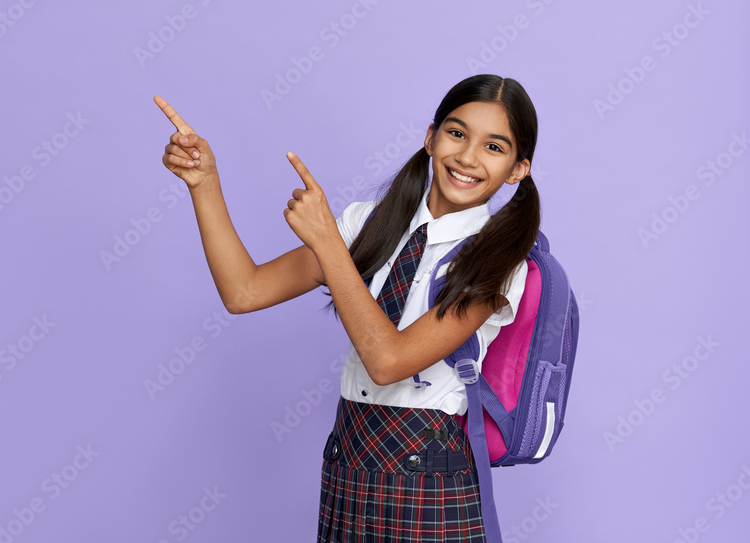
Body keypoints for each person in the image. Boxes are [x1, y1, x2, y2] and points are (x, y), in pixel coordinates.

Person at [155, 74, 539, 542]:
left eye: (494, 147)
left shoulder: (499, 262)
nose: (468, 157)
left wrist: (327, 241)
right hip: (349, 463)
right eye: (457, 133)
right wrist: (205, 184)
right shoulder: (369, 223)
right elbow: (244, 291)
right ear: (430, 138)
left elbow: (388, 362)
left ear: (517, 169)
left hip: (431, 478)